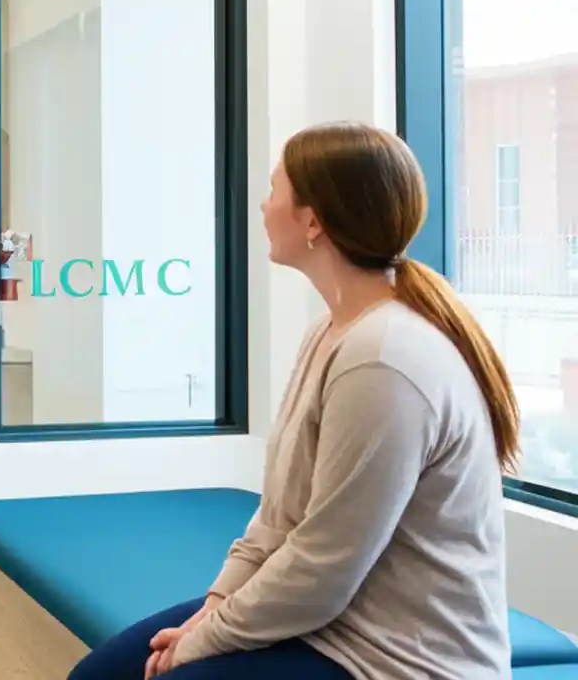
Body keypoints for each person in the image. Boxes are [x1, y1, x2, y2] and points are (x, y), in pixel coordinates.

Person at [69, 122, 519, 680]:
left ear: (313, 221)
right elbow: (281, 515)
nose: (263, 203)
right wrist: (214, 607)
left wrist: (198, 643)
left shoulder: (384, 358)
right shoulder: (331, 333)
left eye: (275, 188)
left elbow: (323, 570)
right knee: (98, 675)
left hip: (395, 659)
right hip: (330, 625)